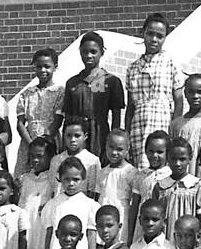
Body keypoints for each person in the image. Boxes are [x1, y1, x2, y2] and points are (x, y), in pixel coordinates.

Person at [126, 12, 185, 169]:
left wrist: (174, 130)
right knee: (142, 171)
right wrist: (127, 137)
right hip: (138, 126)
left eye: (159, 36)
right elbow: (130, 106)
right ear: (143, 33)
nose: (154, 39)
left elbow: (179, 100)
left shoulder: (171, 63)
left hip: (163, 124)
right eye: (150, 34)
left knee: (163, 171)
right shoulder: (133, 68)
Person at [64, 31, 126, 162]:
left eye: (93, 51)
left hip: (100, 134)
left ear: (101, 52)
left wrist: (113, 141)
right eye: (84, 52)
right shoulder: (72, 83)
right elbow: (68, 117)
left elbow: (116, 115)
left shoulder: (110, 81)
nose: (89, 55)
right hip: (78, 135)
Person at [17, 136, 55, 249]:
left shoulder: (52, 180)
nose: (35, 160)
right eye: (32, 156)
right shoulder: (25, 179)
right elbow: (21, 203)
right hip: (28, 230)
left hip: (42, 231)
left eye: (40, 156)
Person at [15, 48, 64, 176]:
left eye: (47, 66)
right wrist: (31, 144)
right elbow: (20, 124)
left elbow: (58, 119)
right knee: (24, 177)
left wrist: (44, 141)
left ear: (55, 67)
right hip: (28, 140)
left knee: (49, 174)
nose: (43, 70)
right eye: (39, 66)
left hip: (49, 140)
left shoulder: (59, 92)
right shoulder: (26, 94)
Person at [40, 157, 99, 249]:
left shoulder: (89, 204)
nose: (71, 183)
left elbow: (91, 234)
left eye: (76, 179)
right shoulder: (53, 204)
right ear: (60, 178)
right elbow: (49, 233)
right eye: (67, 179)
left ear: (83, 179)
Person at [152, 139, 201, 236]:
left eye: (182, 159)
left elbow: (200, 217)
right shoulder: (161, 186)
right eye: (173, 159)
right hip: (165, 238)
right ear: (167, 158)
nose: (177, 164)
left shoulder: (196, 186)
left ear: (190, 158)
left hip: (189, 237)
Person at [95, 130, 137, 244]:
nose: (114, 152)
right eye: (111, 147)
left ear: (127, 150)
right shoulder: (102, 172)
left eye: (119, 149)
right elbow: (97, 195)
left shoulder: (131, 172)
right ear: (106, 147)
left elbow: (134, 201)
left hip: (121, 214)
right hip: (103, 214)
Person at [47, 118, 102, 202]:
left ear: (85, 136)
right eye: (69, 135)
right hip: (59, 206)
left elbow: (93, 190)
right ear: (63, 136)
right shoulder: (56, 160)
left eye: (77, 136)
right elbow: (52, 188)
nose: (72, 140)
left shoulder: (92, 161)